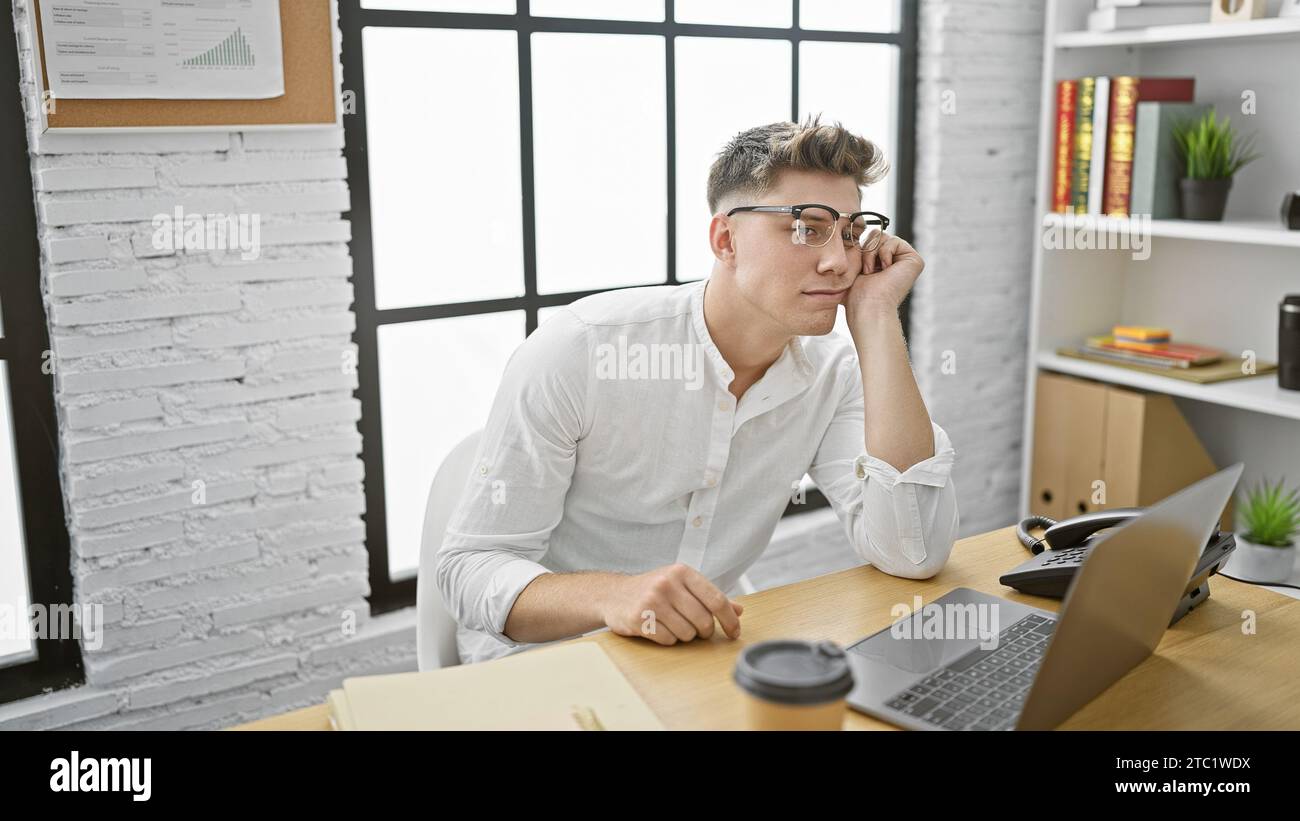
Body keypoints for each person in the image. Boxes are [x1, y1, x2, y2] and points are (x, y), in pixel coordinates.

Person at [437, 116, 959, 664]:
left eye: (851, 233)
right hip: (547, 661)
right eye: (806, 227)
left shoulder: (833, 376)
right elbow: (471, 568)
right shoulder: (583, 350)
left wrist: (876, 317)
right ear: (725, 239)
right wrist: (615, 594)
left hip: (696, 652)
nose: (839, 262)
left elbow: (913, 552)